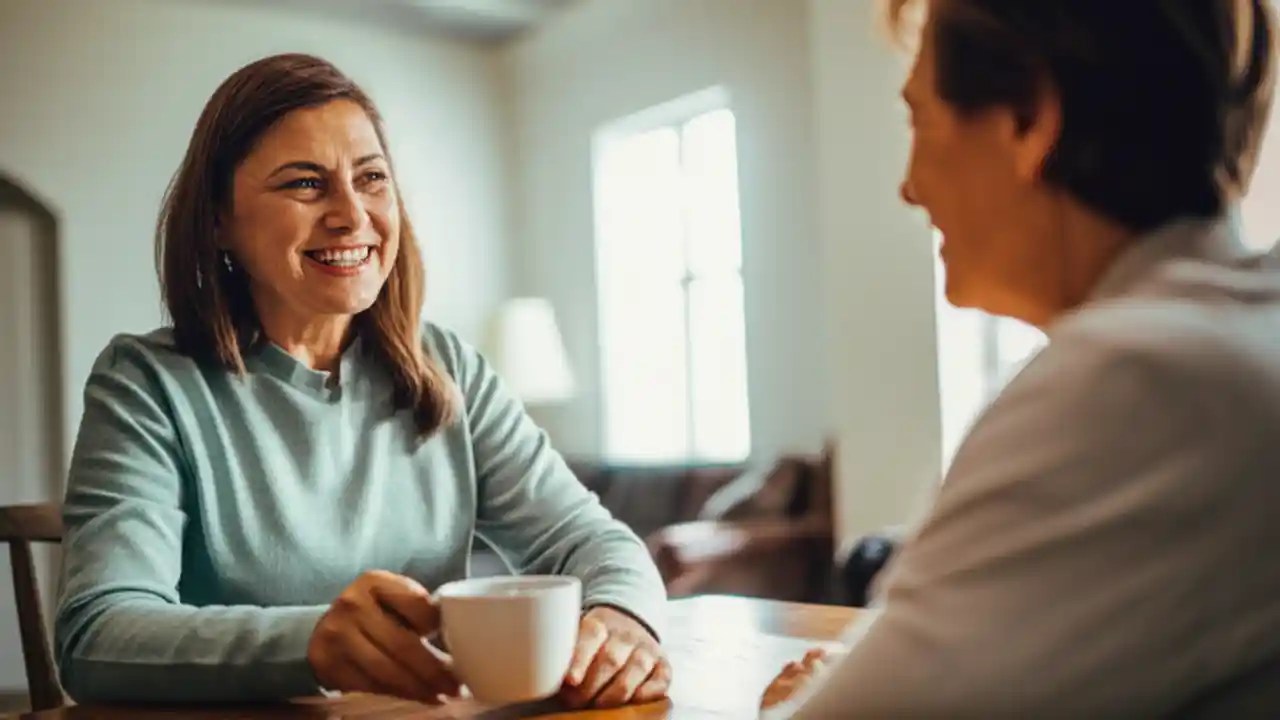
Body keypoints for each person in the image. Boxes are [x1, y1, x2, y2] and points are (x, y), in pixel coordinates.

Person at [54, 53, 671, 709]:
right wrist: (311, 642)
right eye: (305, 184)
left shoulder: (448, 367)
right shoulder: (147, 384)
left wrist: (623, 619)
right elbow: (97, 634)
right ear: (218, 221)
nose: (352, 214)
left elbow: (591, 540)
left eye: (371, 178)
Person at [764, 0, 1280, 716]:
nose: (908, 186)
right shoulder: (1245, 330)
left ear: (1031, 119)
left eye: (919, 120)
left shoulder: (1136, 379)